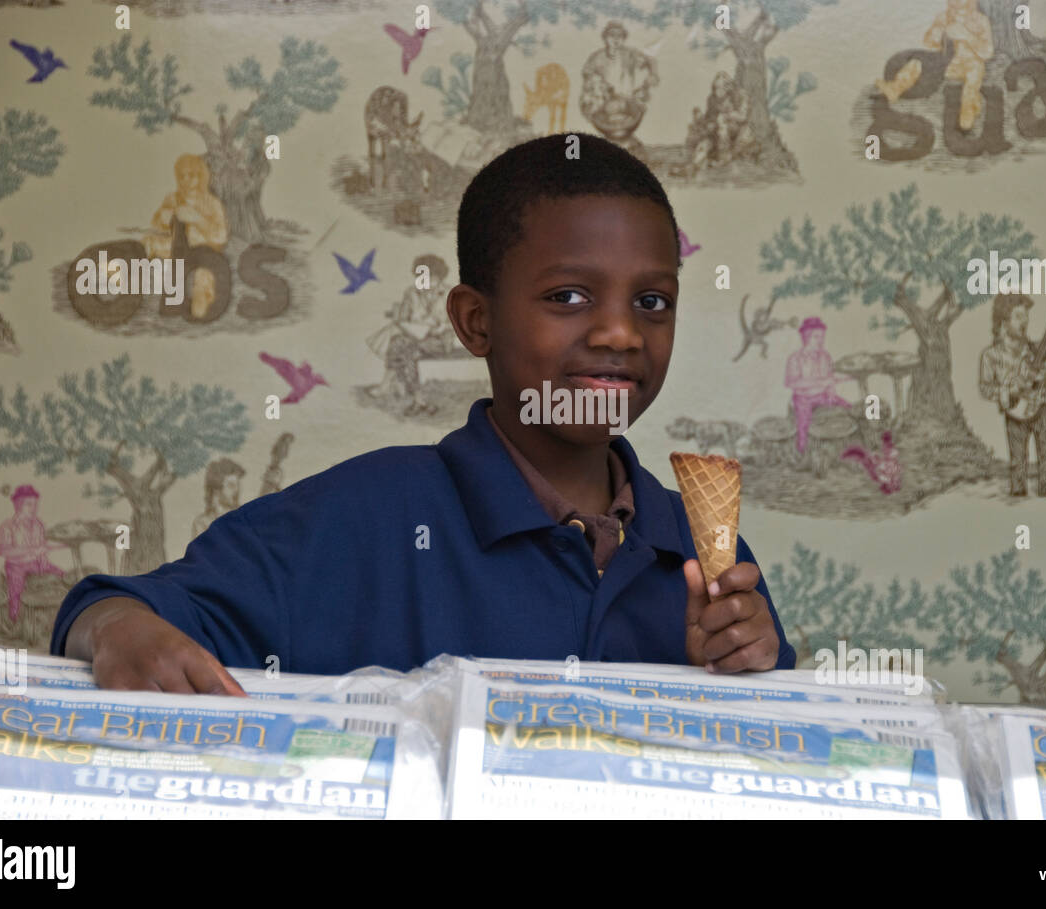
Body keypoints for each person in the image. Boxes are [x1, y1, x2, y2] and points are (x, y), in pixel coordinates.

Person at [52, 133, 796, 693]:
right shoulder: (362, 516)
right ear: (475, 322)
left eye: (652, 301)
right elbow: (113, 609)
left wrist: (750, 668)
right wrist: (120, 627)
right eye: (568, 296)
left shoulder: (705, 560)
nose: (619, 332)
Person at [978, 292, 1046, 497]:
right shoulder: (991, 356)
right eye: (1018, 316)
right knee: (1017, 464)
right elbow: (985, 388)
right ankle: (1017, 500)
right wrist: (1010, 390)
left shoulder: (1035, 348)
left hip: (1042, 408)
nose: (1025, 321)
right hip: (1014, 412)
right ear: (1003, 322)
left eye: (1026, 316)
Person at [874, 0, 993, 132]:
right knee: (918, 62)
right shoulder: (943, 17)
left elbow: (987, 52)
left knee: (975, 71)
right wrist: (935, 35)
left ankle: (967, 110)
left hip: (969, 64)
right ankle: (895, 88)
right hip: (946, 63)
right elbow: (929, 42)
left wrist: (967, 35)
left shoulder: (981, 20)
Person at [366, 254, 456, 415]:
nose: (426, 282)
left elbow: (458, 324)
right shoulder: (411, 293)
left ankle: (387, 385)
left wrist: (441, 328)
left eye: (431, 278)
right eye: (421, 277)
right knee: (406, 348)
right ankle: (418, 400)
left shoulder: (451, 294)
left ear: (439, 276)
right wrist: (411, 326)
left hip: (440, 341)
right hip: (413, 339)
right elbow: (402, 320)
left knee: (400, 344)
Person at [144, 153, 229, 318]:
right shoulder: (172, 198)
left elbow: (221, 236)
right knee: (149, 244)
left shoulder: (211, 202)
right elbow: (156, 225)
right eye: (181, 176)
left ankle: (201, 295)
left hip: (203, 249)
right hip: (177, 250)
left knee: (203, 273)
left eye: (191, 175)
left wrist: (197, 219)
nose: (186, 180)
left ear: (201, 177)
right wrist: (163, 217)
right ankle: (124, 274)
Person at [0, 485, 67, 623]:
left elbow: (41, 547)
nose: (34, 508)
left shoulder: (38, 524)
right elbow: (4, 551)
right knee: (16, 593)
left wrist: (56, 547)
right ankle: (15, 622)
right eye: (29, 504)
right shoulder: (8, 525)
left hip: (38, 564)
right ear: (18, 505)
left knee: (64, 577)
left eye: (35, 504)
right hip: (16, 566)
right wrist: (31, 550)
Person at [785, 317, 854, 454]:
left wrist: (833, 388)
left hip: (823, 396)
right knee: (803, 425)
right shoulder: (795, 358)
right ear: (806, 337)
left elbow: (829, 379)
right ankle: (802, 453)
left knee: (850, 410)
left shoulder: (825, 356)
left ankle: (847, 450)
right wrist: (822, 382)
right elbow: (792, 383)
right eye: (817, 337)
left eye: (822, 337)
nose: (821, 340)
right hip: (803, 398)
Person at [191, 458, 246, 538]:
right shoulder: (201, 523)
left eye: (238, 485)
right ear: (216, 490)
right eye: (231, 485)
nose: (236, 490)